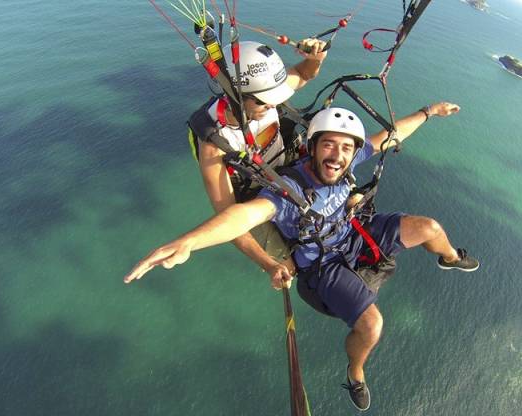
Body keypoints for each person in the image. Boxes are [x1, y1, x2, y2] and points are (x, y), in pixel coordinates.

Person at [126, 103, 479, 411]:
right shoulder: (288, 190)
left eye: (344, 148)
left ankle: (448, 258)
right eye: (328, 145)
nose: (337, 156)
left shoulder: (349, 159)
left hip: (355, 233)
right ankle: (355, 373)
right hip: (323, 265)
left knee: (430, 228)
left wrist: (429, 112)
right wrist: (190, 240)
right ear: (312, 147)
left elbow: (390, 136)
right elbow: (242, 216)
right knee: (372, 326)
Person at [186, 39, 328, 288]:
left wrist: (316, 56)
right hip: (255, 194)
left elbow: (306, 72)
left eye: (274, 97)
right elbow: (226, 216)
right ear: (235, 96)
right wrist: (269, 264)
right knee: (294, 261)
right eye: (264, 101)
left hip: (284, 168)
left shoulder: (263, 97)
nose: (272, 104)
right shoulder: (213, 141)